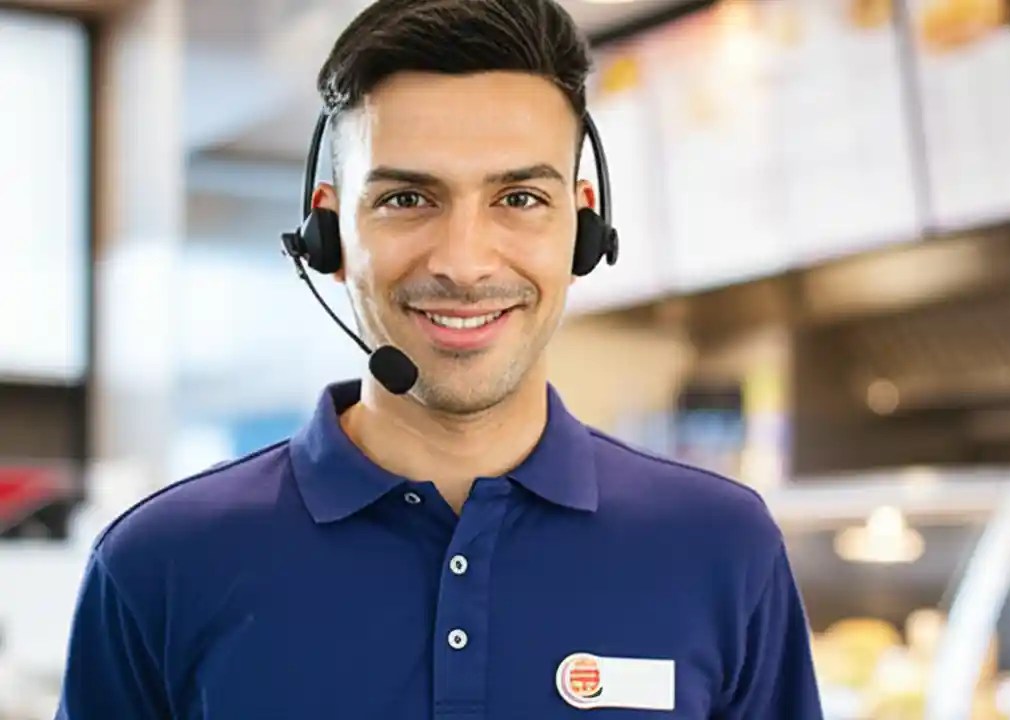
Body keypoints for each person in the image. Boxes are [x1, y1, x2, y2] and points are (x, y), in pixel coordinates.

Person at [55, 0, 823, 717]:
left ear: (583, 231)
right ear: (328, 238)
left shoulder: (723, 548)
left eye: (519, 199)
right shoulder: (158, 565)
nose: (462, 261)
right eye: (406, 199)